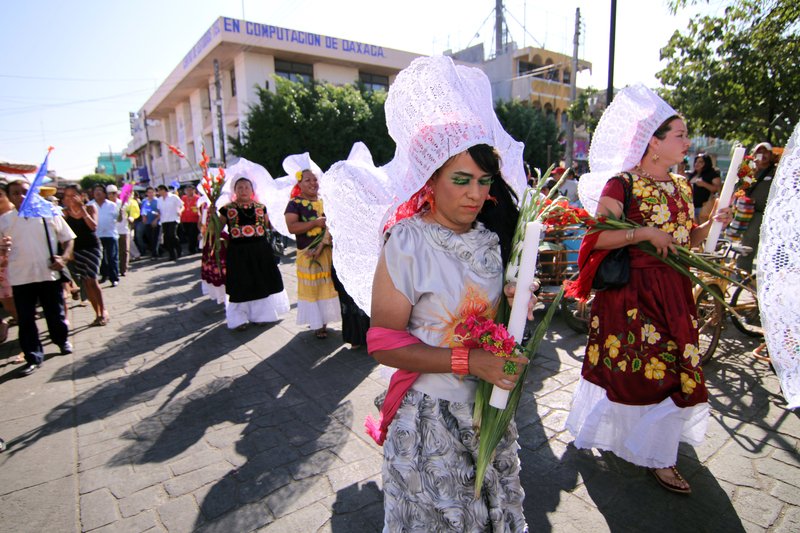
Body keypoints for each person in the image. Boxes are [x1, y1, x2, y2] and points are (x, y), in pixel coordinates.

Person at [324, 56, 530, 532]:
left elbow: (486, 324)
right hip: (429, 417)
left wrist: (518, 304)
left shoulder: (489, 239)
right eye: (461, 180)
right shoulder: (407, 241)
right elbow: (383, 342)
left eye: (484, 181)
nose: (475, 194)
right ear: (430, 180)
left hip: (486, 408)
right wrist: (468, 362)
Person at [566, 84, 733, 494]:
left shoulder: (680, 187)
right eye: (679, 134)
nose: (687, 142)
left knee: (675, 369)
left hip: (673, 292)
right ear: (653, 143)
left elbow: (685, 240)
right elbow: (597, 239)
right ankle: (649, 452)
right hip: (630, 296)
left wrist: (713, 224)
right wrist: (641, 232)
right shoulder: (621, 185)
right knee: (637, 371)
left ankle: (657, 450)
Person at [0, 179, 76, 376]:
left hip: (47, 273)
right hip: (20, 277)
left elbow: (68, 237)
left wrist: (65, 258)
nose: (21, 196)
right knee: (25, 319)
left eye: (25, 192)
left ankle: (61, 341)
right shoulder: (5, 220)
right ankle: (33, 356)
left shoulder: (47, 213)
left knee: (55, 313)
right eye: (15, 193)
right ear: (9, 197)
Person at [219, 176, 289, 330]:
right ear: (234, 190)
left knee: (259, 282)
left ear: (252, 190)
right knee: (240, 284)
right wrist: (211, 217)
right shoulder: (227, 209)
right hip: (237, 251)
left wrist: (278, 214)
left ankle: (260, 316)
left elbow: (269, 226)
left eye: (247, 187)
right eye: (240, 187)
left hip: (260, 250)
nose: (244, 190)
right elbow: (217, 228)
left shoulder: (261, 207)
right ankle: (239, 318)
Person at [284, 154, 341, 339]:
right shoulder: (294, 204)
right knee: (313, 287)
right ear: (299, 184)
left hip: (327, 251)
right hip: (307, 254)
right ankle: (317, 323)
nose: (312, 182)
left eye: (315, 179)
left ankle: (324, 321)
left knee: (328, 284)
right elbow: (292, 227)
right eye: (307, 179)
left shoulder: (326, 200)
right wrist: (316, 223)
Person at [63, 185, 108, 326]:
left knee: (92, 279)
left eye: (73, 195)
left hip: (92, 247)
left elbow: (93, 226)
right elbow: (64, 234)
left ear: (81, 195)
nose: (70, 199)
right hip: (76, 250)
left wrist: (82, 211)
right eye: (67, 196)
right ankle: (97, 314)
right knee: (86, 282)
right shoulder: (65, 212)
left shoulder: (90, 208)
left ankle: (103, 312)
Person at [737, 142, 778, 274]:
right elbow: (740, 189)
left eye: (766, 152)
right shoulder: (747, 170)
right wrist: (751, 173)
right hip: (753, 214)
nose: (762, 155)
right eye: (759, 152)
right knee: (747, 246)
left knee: (773, 250)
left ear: (771, 155)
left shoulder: (777, 170)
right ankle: (742, 278)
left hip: (774, 216)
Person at [88, 184, 121, 287]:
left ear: (104, 193)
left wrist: (121, 213)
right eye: (96, 191)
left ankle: (114, 278)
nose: (97, 193)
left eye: (100, 191)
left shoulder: (112, 205)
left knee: (112, 257)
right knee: (101, 257)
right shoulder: (90, 205)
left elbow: (118, 219)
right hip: (97, 235)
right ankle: (104, 275)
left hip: (110, 234)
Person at [111, 186, 139, 276]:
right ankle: (114, 270)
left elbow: (134, 212)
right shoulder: (107, 204)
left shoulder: (127, 203)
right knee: (114, 252)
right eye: (109, 193)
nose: (111, 195)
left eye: (113, 193)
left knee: (125, 250)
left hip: (123, 229)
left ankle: (123, 269)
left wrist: (131, 217)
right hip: (111, 231)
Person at [687, 154, 721, 222]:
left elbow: (718, 189)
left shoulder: (712, 174)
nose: (697, 164)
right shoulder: (693, 174)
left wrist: (704, 184)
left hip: (704, 207)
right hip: (692, 206)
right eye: (696, 161)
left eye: (700, 162)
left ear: (706, 163)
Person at [154, 184, 183, 261]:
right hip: (164, 220)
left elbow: (182, 205)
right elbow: (159, 210)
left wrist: (179, 211)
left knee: (172, 235)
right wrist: (157, 214)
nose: (158, 192)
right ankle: (172, 254)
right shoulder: (159, 199)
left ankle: (178, 249)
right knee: (167, 237)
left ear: (163, 190)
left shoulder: (173, 197)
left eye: (159, 190)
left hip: (173, 218)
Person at [181, 185, 201, 255]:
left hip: (195, 220)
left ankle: (192, 249)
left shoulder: (198, 198)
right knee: (189, 235)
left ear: (194, 190)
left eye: (190, 190)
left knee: (193, 234)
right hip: (185, 220)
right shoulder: (183, 198)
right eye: (187, 190)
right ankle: (196, 247)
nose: (189, 192)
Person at [141, 187, 160, 259]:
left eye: (152, 192)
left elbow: (160, 212)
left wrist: (156, 219)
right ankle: (159, 250)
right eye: (149, 192)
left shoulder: (157, 201)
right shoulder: (144, 201)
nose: (151, 194)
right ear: (146, 193)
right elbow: (143, 211)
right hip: (148, 222)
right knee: (149, 237)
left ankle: (154, 254)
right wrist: (144, 217)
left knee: (154, 237)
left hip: (156, 221)